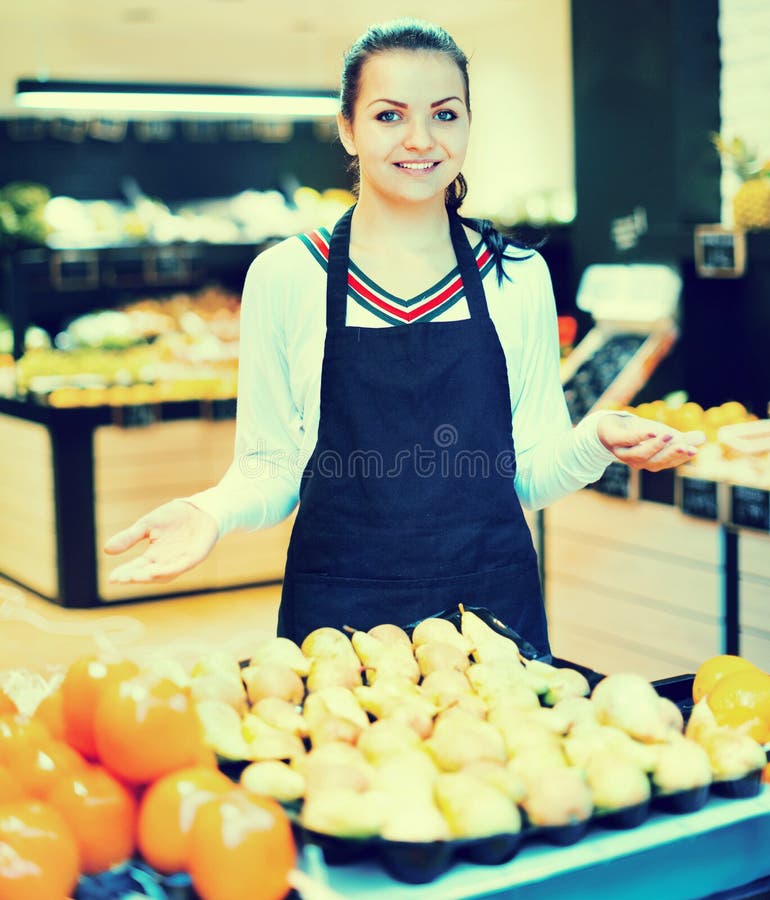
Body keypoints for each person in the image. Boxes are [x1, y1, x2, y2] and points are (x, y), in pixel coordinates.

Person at [105, 18, 705, 653]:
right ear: (347, 128)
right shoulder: (286, 277)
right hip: (339, 617)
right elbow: (271, 467)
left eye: (445, 115)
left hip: (492, 617)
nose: (421, 139)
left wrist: (595, 440)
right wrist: (210, 512)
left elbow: (526, 475)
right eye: (390, 116)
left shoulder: (517, 276)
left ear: (469, 125)